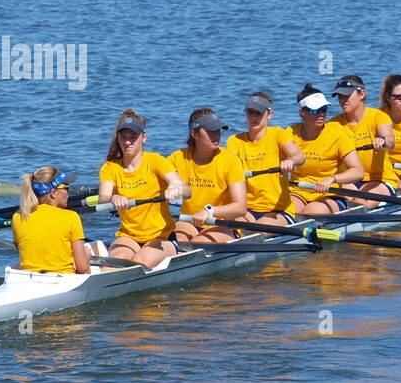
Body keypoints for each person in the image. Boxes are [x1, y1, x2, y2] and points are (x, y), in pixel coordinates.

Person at [97, 109, 188, 268]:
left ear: (143, 138)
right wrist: (113, 198)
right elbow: (103, 198)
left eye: (133, 137)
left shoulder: (155, 161)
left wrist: (175, 187)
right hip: (128, 236)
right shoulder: (110, 167)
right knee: (114, 264)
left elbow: (187, 191)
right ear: (117, 139)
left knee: (139, 263)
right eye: (123, 137)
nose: (128, 142)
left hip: (161, 238)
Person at [167, 107, 247, 245]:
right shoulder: (178, 158)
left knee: (198, 243)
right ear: (194, 133)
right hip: (189, 222)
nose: (216, 135)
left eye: (218, 130)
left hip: (221, 225)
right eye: (210, 130)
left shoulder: (230, 161)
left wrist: (210, 210)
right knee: (176, 242)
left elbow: (241, 208)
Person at [226, 92, 305, 227]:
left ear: (269, 114)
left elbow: (300, 156)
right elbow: (227, 167)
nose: (253, 117)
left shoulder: (279, 134)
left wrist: (291, 161)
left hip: (278, 210)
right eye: (250, 113)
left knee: (259, 228)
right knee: (228, 225)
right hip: (247, 209)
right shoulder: (235, 141)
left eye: (258, 113)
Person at [285, 85, 364, 215]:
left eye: (324, 108)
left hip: (330, 193)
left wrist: (331, 179)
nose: (321, 114)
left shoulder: (338, 135)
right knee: (290, 211)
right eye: (315, 110)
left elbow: (358, 172)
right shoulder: (290, 133)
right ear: (302, 112)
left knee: (312, 211)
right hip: (298, 191)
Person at [330, 74, 397, 203]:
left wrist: (382, 140)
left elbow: (390, 140)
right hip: (349, 180)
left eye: (347, 95)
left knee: (359, 200)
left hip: (379, 180)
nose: (343, 100)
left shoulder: (378, 116)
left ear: (362, 94)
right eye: (340, 96)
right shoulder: (334, 124)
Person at [13, 167, 90, 274]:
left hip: (31, 278)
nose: (69, 192)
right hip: (64, 280)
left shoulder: (18, 217)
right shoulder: (71, 217)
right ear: (54, 192)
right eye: (66, 188)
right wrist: (87, 257)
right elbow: (82, 269)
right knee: (86, 252)